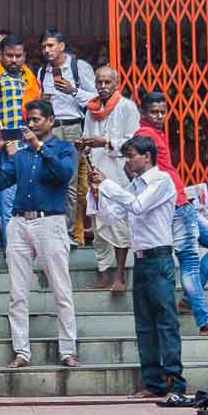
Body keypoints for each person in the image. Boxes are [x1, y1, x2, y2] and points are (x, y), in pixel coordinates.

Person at [90, 134, 190, 403]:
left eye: (132, 154)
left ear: (147, 156)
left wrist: (108, 184)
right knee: (144, 324)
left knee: (165, 322)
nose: (128, 160)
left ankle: (175, 382)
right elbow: (112, 217)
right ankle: (153, 381)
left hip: (159, 258)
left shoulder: (161, 181)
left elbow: (138, 206)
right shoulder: (134, 185)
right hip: (142, 258)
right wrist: (98, 193)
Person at [0, 98, 80, 371]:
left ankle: (68, 350)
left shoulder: (64, 148)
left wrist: (38, 147)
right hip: (19, 222)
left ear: (50, 121)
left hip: (50, 221)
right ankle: (21, 352)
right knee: (17, 292)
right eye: (28, 120)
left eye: (36, 119)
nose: (30, 124)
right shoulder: (19, 155)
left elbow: (64, 175)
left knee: (61, 289)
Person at [138, 91, 208, 337]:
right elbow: (134, 161)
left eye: (162, 111)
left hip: (184, 205)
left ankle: (189, 301)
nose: (159, 116)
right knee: (189, 264)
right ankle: (205, 320)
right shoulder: (144, 136)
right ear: (143, 113)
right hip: (176, 209)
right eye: (153, 112)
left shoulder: (155, 133)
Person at [80, 63, 141, 293]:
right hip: (96, 174)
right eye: (100, 82)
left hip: (117, 177)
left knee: (118, 226)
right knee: (98, 227)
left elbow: (133, 142)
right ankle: (103, 275)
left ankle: (120, 276)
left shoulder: (127, 107)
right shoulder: (92, 108)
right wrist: (85, 146)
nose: (103, 86)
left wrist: (105, 142)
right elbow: (88, 137)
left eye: (108, 82)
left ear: (117, 84)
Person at [35, 31, 99, 246]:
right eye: (44, 47)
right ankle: (52, 230)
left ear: (61, 46)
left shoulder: (79, 68)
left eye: (51, 46)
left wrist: (73, 91)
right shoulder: (42, 71)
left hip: (72, 128)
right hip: (50, 129)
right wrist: (42, 101)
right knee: (49, 178)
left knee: (70, 183)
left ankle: (70, 234)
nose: (47, 50)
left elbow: (96, 98)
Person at [0, 35, 37, 246]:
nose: (14, 60)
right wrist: (7, 141)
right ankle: (9, 246)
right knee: (4, 197)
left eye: (18, 56)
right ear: (0, 55)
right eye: (9, 55)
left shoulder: (29, 77)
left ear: (24, 56)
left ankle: (23, 244)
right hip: (4, 146)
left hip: (29, 145)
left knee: (25, 194)